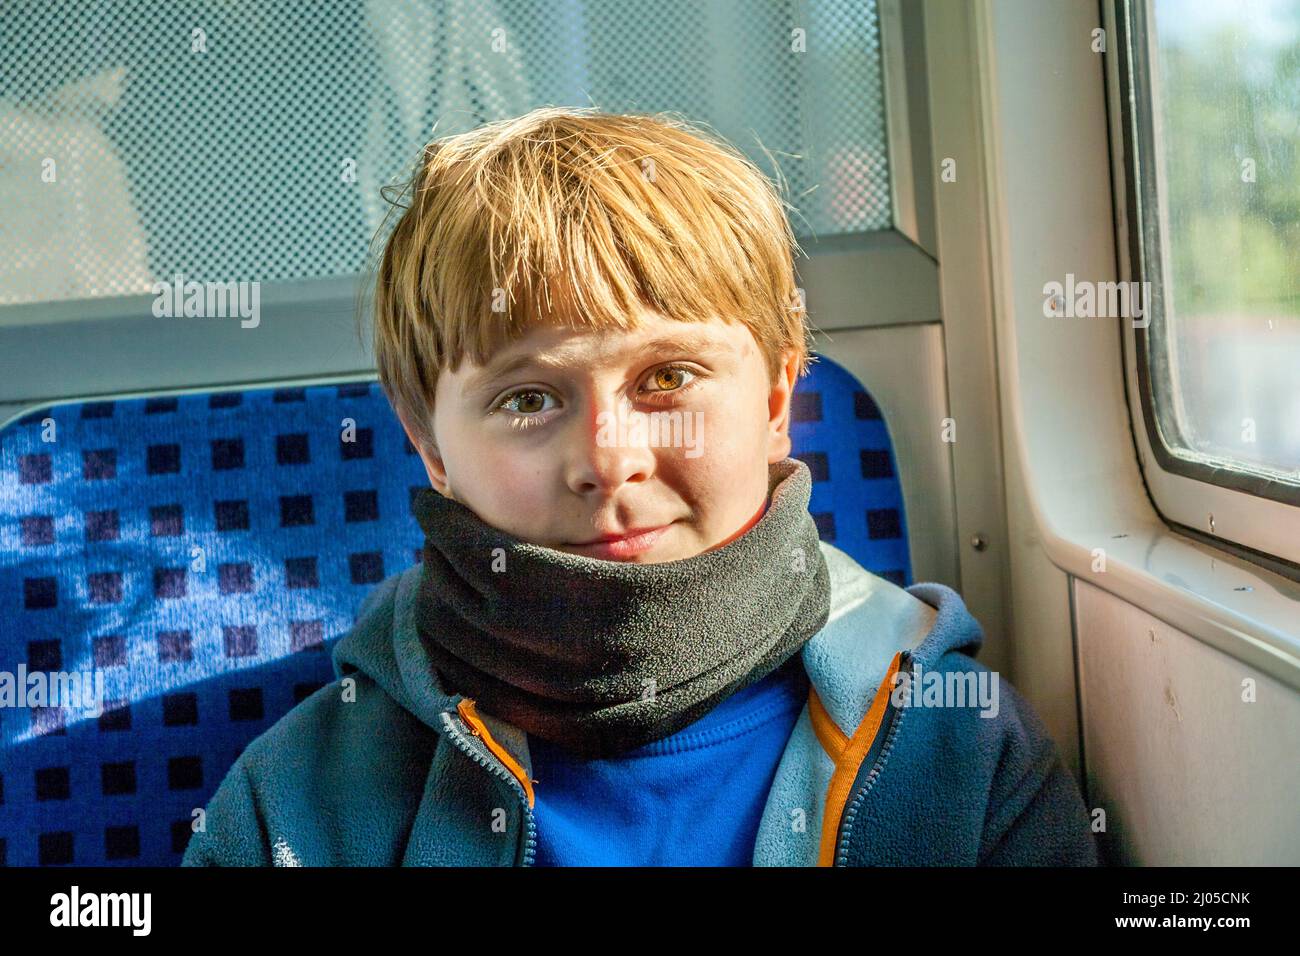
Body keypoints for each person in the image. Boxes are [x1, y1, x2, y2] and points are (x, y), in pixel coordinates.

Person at [182, 106, 1098, 866]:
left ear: (777, 399)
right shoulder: (303, 806)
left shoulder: (957, 752)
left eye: (666, 379)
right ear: (429, 445)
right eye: (529, 398)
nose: (607, 460)